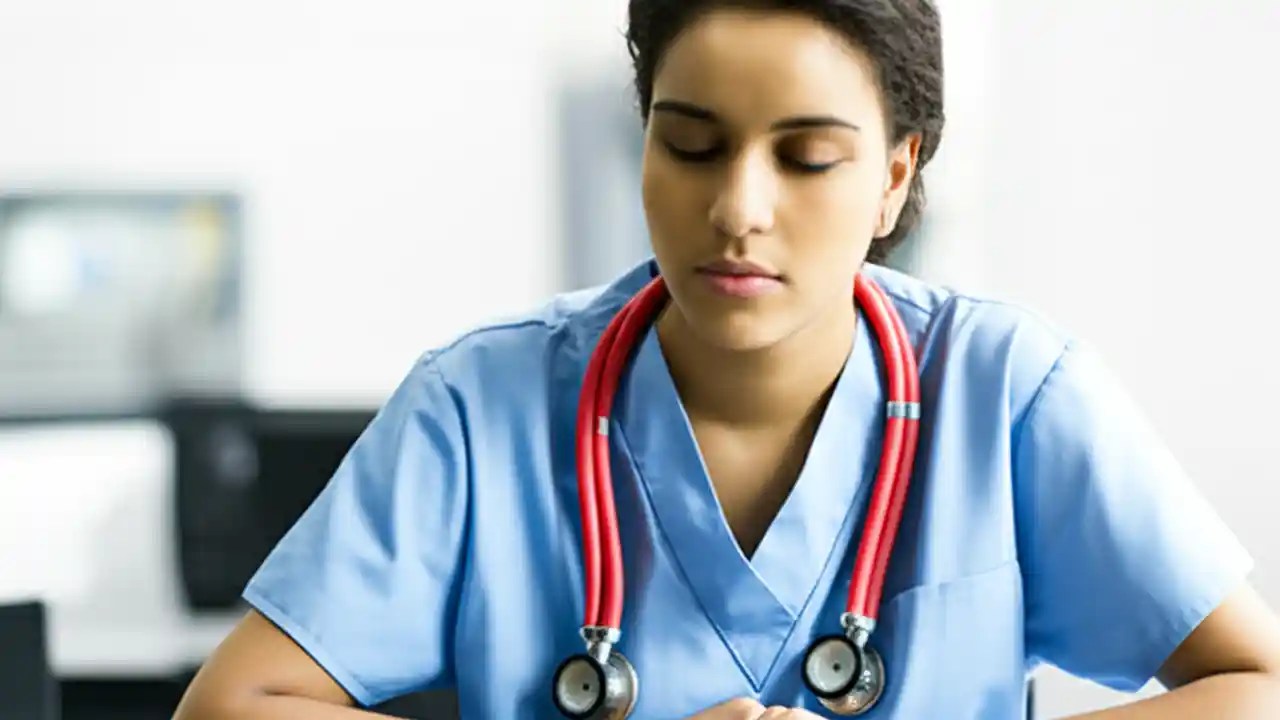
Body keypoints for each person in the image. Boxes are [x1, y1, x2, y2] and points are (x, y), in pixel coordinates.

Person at [173, 1, 1280, 718]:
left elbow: (1253, 685)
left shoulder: (1006, 393)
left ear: (894, 177)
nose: (736, 209)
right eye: (690, 144)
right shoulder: (480, 406)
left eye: (805, 158)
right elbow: (235, 707)